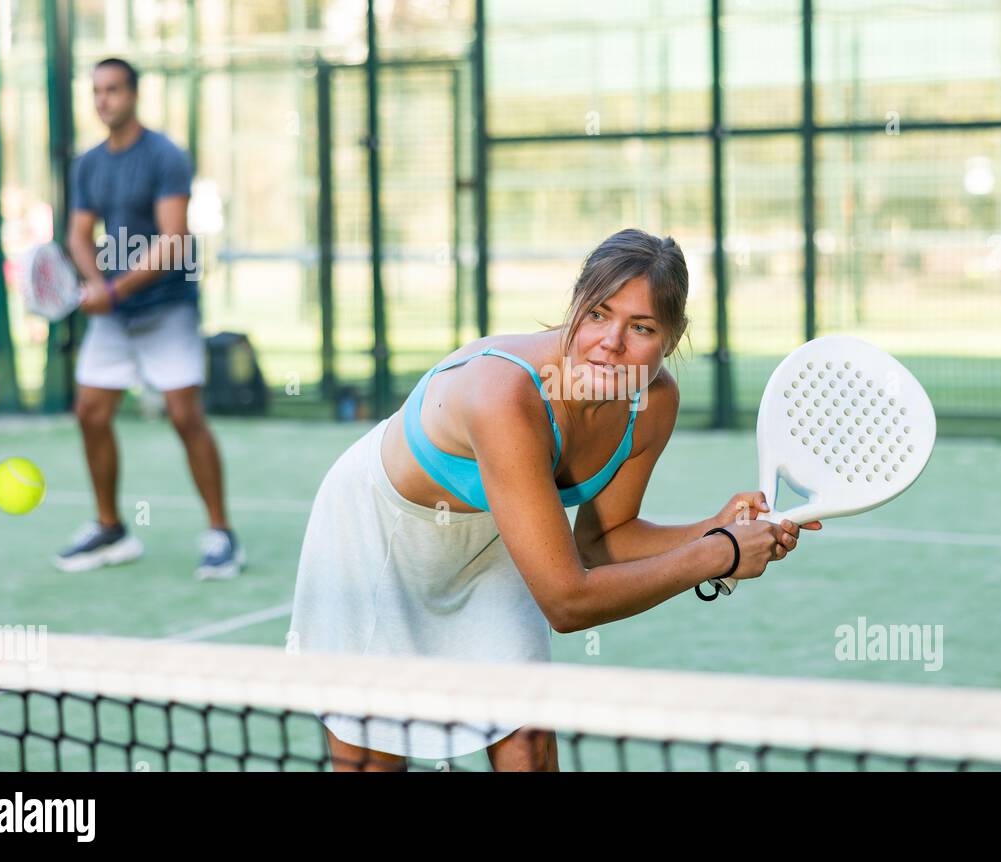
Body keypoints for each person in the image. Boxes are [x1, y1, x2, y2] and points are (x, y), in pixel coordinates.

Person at [289, 228, 816, 771]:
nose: (611, 342)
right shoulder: (505, 395)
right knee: (378, 758)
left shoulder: (653, 402)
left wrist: (715, 529)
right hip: (381, 538)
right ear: (574, 308)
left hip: (504, 531)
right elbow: (567, 602)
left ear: (673, 337)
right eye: (597, 314)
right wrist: (718, 554)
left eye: (641, 327)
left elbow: (601, 539)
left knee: (528, 744)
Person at [55, 57, 243, 581]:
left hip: (167, 310)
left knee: (185, 417)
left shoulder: (165, 156)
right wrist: (96, 284)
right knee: (90, 413)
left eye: (113, 90)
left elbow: (172, 240)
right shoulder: (89, 163)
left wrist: (111, 291)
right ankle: (111, 529)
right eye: (96, 91)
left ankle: (221, 533)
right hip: (114, 316)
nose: (103, 100)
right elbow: (77, 234)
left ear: (134, 94)